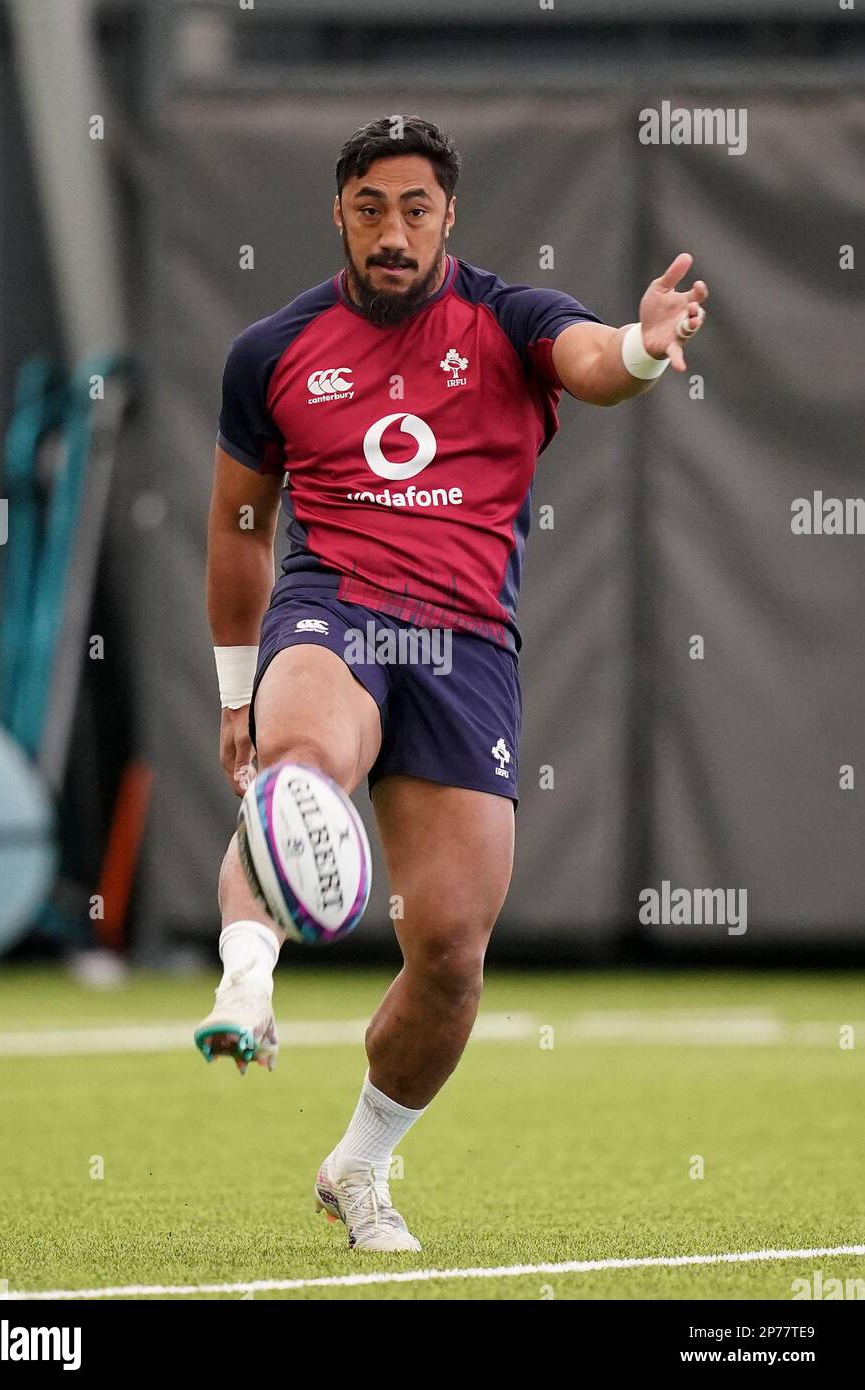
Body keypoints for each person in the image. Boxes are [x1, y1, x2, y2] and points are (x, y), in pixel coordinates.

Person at [195, 114, 708, 1252]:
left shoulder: (506, 316)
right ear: (337, 210)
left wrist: (636, 344)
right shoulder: (270, 351)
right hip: (332, 603)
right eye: (369, 206)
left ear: (447, 217)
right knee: (302, 766)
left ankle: (358, 1166)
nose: (391, 232)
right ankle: (245, 983)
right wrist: (238, 692)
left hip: (466, 641)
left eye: (414, 209)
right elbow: (238, 528)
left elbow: (589, 363)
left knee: (450, 954)